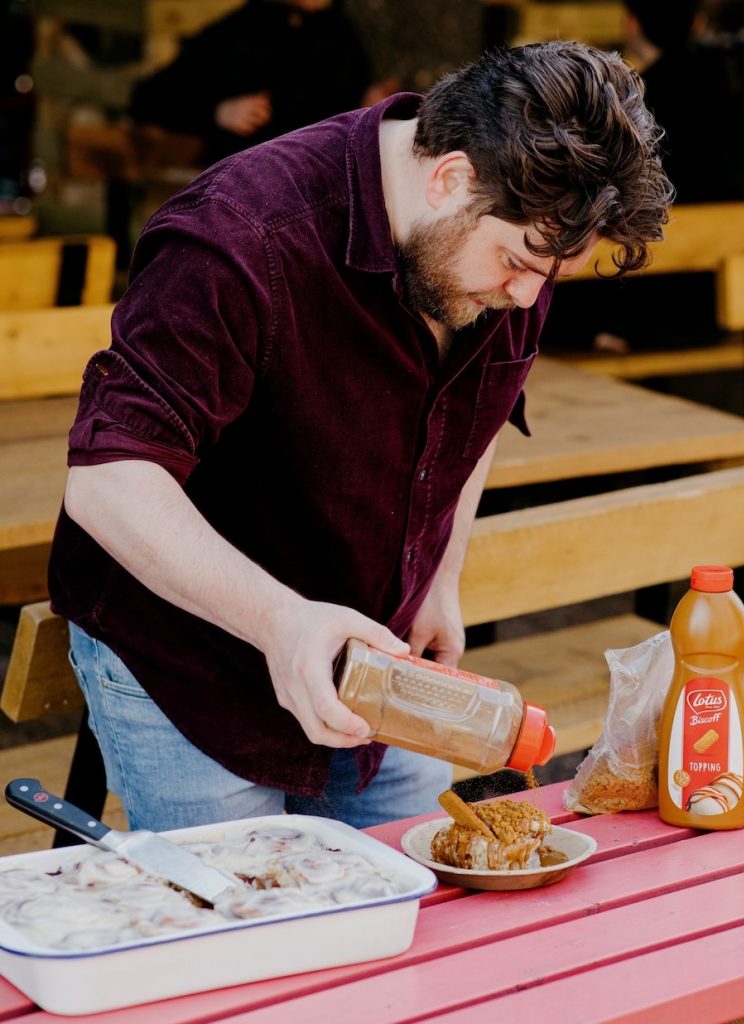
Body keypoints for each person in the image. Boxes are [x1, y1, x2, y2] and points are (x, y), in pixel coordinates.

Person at [48, 40, 673, 833]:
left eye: (548, 278)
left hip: (375, 654)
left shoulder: (522, 229)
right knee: (254, 938)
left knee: (420, 911)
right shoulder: (239, 234)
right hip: (191, 659)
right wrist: (281, 622)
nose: (524, 298)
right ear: (449, 179)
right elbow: (109, 476)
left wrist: (442, 575)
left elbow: (472, 406)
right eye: (518, 263)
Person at [544, 0, 744, 353]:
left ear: (631, 23)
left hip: (651, 303)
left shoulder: (632, 102)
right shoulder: (729, 91)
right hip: (715, 306)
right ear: (697, 25)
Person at [128, 0, 387, 165]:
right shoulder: (237, 34)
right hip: (249, 184)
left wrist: (368, 105)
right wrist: (216, 112)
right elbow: (147, 98)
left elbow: (347, 106)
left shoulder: (341, 35)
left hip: (321, 183)